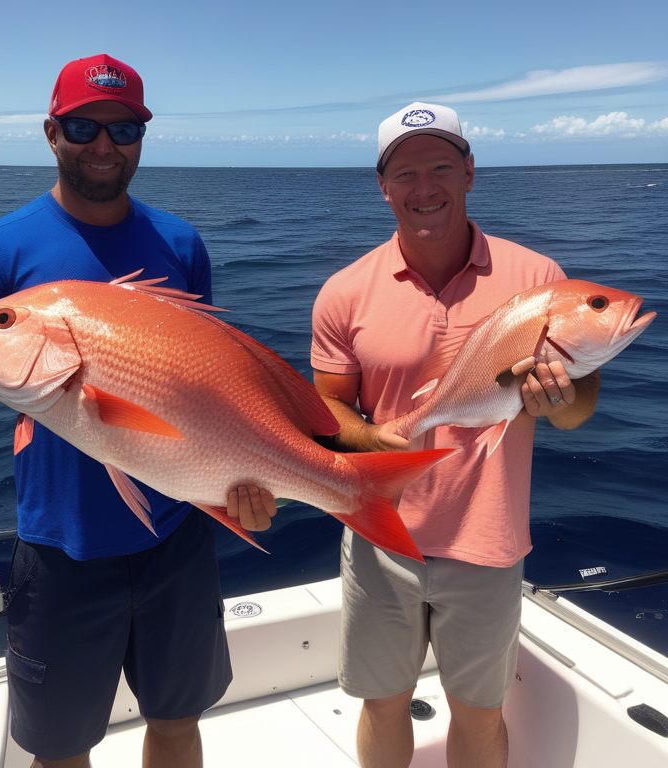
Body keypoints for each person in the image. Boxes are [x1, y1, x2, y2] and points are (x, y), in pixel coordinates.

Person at [0, 54, 276, 768]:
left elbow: (211, 383)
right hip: (61, 546)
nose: (104, 144)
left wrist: (240, 488)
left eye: (123, 128)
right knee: (61, 747)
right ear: (51, 132)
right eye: (84, 126)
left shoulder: (181, 244)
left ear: (143, 136)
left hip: (179, 532)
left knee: (178, 720)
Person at [310, 102, 600, 768]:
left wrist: (559, 398)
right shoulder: (344, 293)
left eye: (440, 166)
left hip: (488, 544)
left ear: (470, 172)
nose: (425, 188)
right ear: (383, 187)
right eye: (405, 173)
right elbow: (328, 414)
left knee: (481, 711)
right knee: (383, 703)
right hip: (381, 537)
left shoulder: (539, 280)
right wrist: (376, 440)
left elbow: (577, 412)